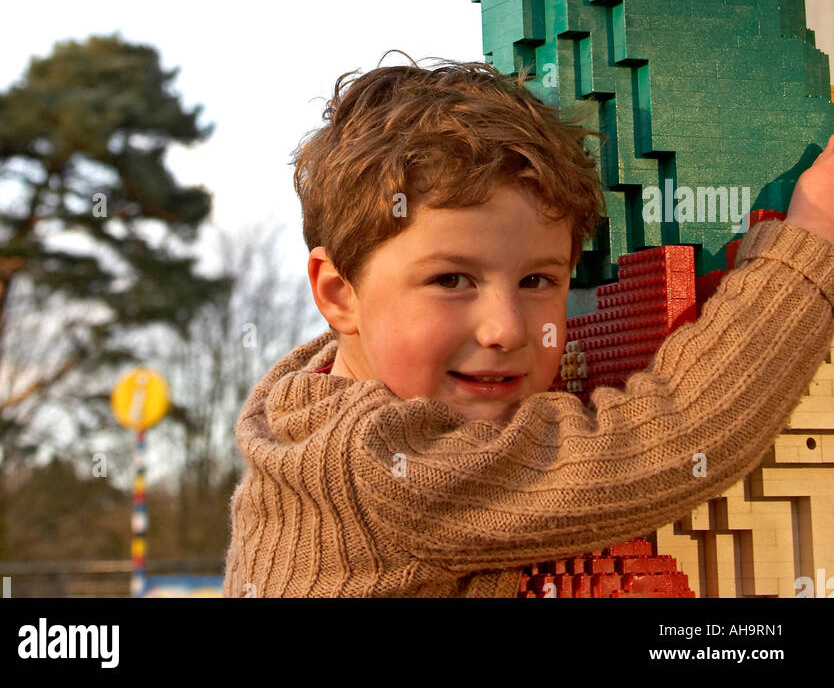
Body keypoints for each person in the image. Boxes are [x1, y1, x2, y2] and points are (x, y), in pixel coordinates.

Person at [223, 57, 834, 598]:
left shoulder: (304, 406)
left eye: (538, 281)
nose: (505, 330)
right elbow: (677, 435)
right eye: (452, 280)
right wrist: (808, 243)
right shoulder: (383, 471)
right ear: (338, 293)